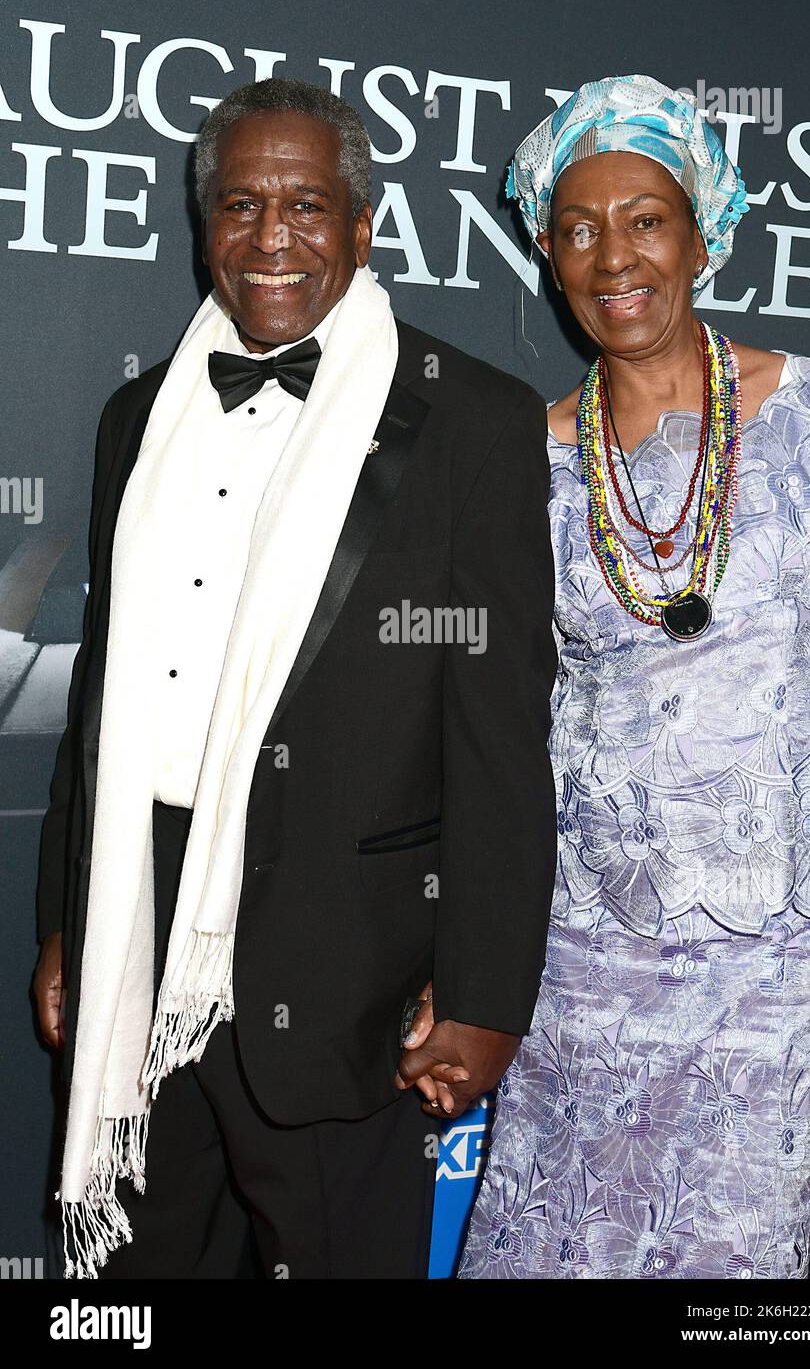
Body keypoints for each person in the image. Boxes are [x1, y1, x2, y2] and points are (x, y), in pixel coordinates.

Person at [32, 76, 558, 1280]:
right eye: (240, 205)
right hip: (138, 922)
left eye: (307, 206)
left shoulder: (471, 421)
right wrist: (69, 913)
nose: (272, 238)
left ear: (361, 227)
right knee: (123, 1288)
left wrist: (482, 990)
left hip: (343, 953)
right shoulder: (135, 418)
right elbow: (104, 696)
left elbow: (495, 731)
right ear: (202, 224)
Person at [451, 74, 810, 1279]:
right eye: (577, 228)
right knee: (554, 1244)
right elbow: (499, 724)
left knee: (736, 1259)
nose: (612, 255)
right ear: (546, 250)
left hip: (786, 937)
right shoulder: (517, 458)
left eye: (643, 218)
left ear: (700, 231)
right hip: (589, 936)